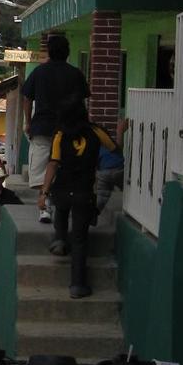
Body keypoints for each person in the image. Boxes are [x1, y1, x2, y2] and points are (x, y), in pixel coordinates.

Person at [39, 98, 117, 299]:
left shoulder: (60, 135)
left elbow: (53, 164)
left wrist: (44, 192)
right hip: (84, 192)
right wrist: (121, 132)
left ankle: (60, 238)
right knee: (81, 240)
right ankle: (77, 286)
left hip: (62, 190)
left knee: (61, 211)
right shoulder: (96, 131)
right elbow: (115, 149)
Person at [22, 33, 89, 224]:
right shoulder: (75, 73)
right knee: (63, 168)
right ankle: (57, 204)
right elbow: (82, 101)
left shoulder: (39, 72)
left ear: (49, 52)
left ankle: (46, 205)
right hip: (69, 130)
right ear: (67, 53)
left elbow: (27, 98)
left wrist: (28, 122)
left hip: (42, 128)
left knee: (40, 172)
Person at [94, 118, 128, 222]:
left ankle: (94, 213)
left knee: (102, 195)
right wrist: (121, 131)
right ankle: (133, 204)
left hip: (104, 173)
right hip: (119, 170)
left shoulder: (95, 148)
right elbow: (119, 149)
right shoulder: (111, 145)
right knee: (127, 188)